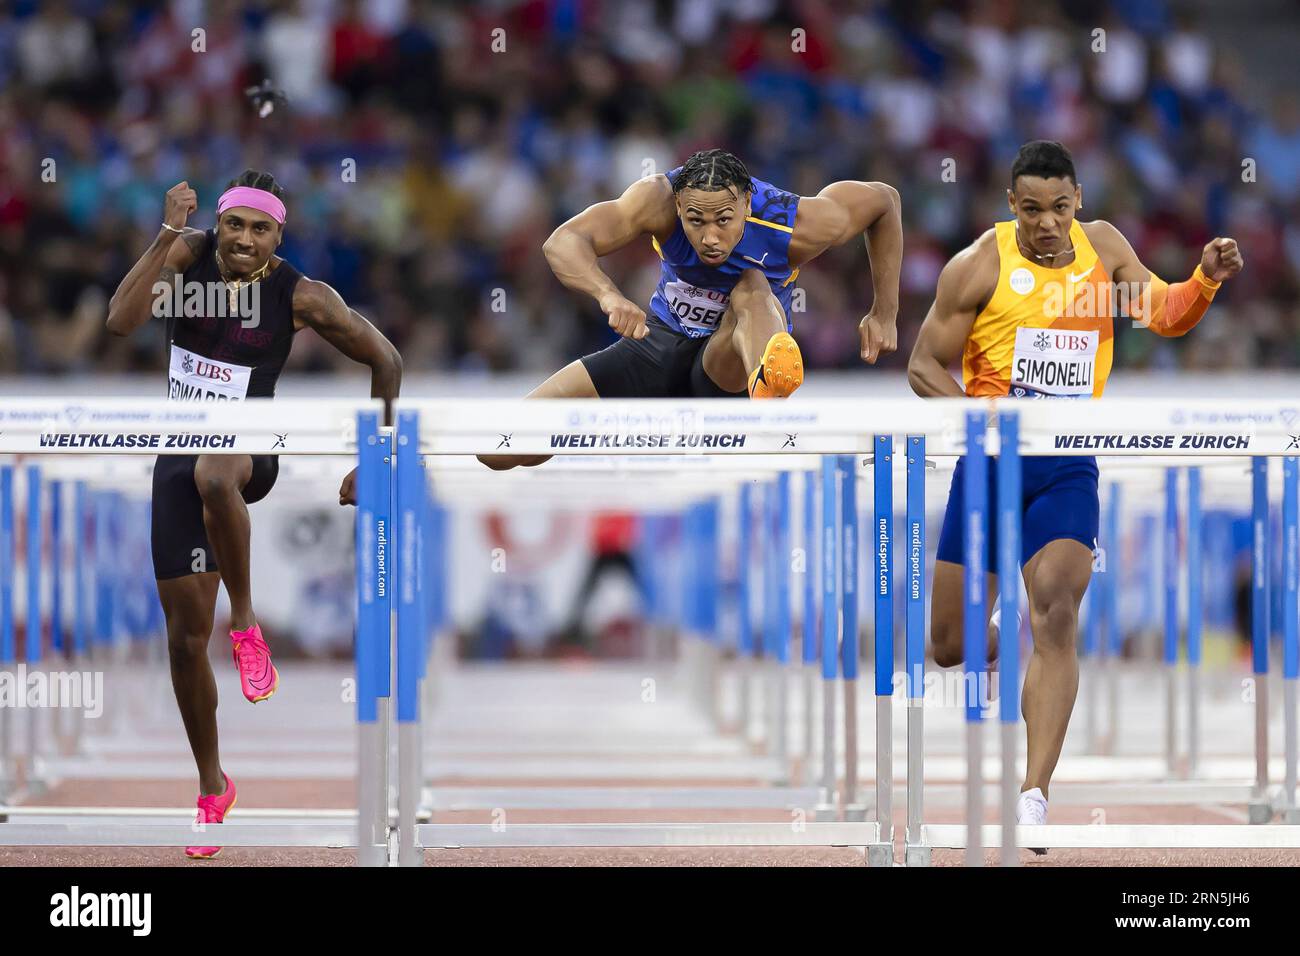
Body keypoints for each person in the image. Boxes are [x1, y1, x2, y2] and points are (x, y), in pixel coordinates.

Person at [907, 140, 1243, 848]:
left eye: (1059, 208)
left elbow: (1164, 314)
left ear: (1079, 200)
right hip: (990, 459)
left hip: (1066, 462)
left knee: (1056, 608)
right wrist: (980, 414)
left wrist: (1204, 281)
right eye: (1031, 210)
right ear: (1012, 206)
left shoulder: (1105, 251)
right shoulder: (980, 264)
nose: (1047, 224)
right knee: (944, 644)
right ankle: (992, 645)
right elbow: (922, 364)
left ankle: (1034, 791)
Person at [106, 170, 403, 858]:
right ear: (219, 224)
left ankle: (244, 621)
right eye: (233, 225)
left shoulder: (301, 294)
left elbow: (385, 360)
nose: (242, 240)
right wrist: (169, 231)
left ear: (279, 237)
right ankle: (212, 785)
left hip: (247, 455)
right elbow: (120, 323)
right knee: (183, 639)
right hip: (175, 459)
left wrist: (374, 457)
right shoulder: (187, 253)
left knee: (216, 470)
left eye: (259, 229)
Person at [478, 148, 902, 469]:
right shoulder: (656, 199)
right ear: (678, 207)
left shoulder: (797, 222)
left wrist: (883, 312)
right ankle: (601, 428)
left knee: (752, 285)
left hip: (728, 363)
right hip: (657, 346)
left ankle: (768, 392)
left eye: (724, 221)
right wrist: (607, 293)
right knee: (498, 448)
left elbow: (884, 201)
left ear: (747, 206)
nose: (711, 238)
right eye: (696, 221)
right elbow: (563, 241)